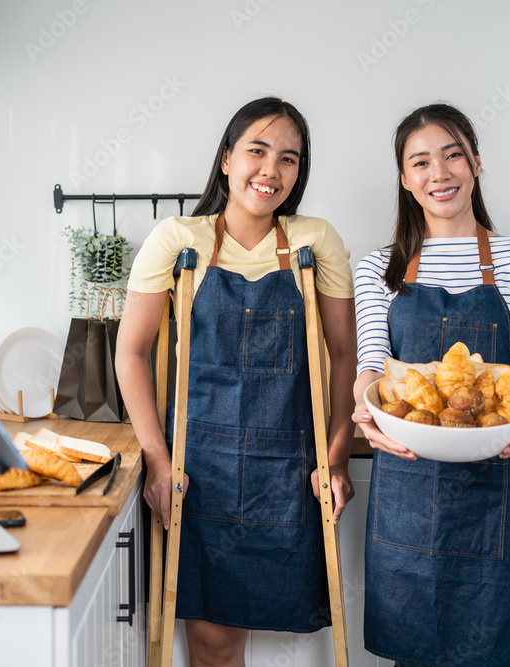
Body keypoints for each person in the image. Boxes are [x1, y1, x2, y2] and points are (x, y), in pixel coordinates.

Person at [115, 96, 356, 667]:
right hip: (200, 469)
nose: (271, 170)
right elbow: (131, 352)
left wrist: (338, 458)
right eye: (257, 150)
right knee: (214, 644)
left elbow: (345, 355)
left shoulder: (315, 241)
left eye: (289, 158)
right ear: (226, 159)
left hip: (289, 469)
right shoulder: (177, 240)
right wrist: (155, 458)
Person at [351, 103, 510, 667]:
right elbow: (372, 368)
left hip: (502, 484)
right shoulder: (378, 268)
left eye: (452, 155)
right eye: (420, 162)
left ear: (476, 164)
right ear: (404, 178)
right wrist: (365, 411)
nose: (438, 173)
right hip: (408, 485)